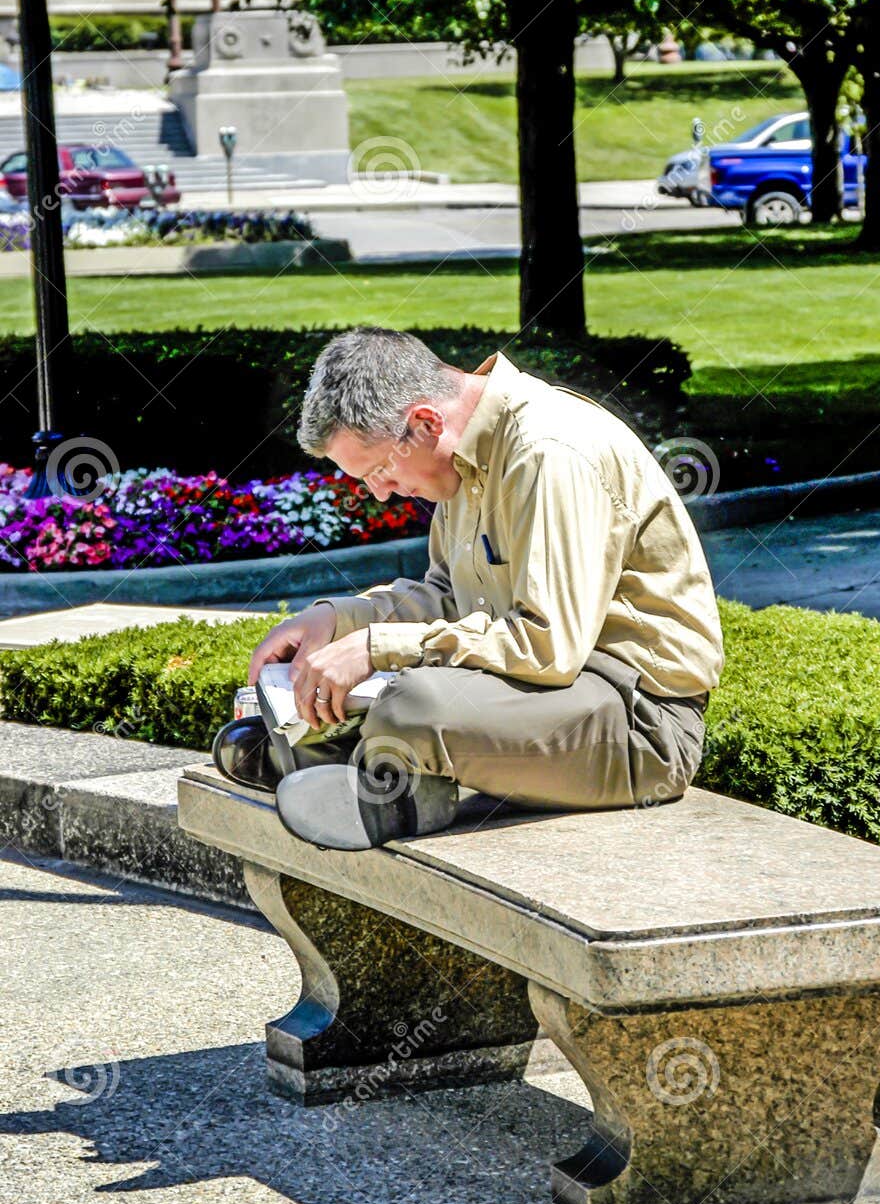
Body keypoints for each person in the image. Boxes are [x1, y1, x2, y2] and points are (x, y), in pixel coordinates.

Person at [213, 326, 724, 849]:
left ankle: (371, 782)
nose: (381, 494)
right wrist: (340, 619)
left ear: (426, 423)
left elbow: (546, 647)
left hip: (639, 723)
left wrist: (376, 648)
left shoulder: (547, 452)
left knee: (414, 704)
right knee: (366, 693)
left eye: (380, 470)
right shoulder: (465, 458)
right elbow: (448, 595)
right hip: (543, 697)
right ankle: (356, 770)